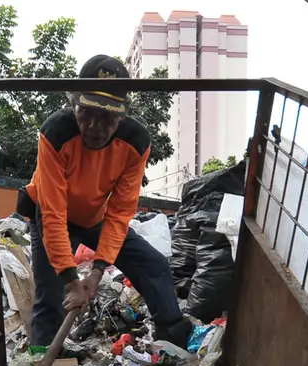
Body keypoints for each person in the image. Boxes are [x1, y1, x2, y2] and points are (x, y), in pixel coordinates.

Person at [16, 54, 192, 349]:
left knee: (155, 266)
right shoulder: (55, 134)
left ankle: (173, 346)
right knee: (51, 294)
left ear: (122, 116)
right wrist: (72, 281)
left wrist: (97, 274)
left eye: (107, 116)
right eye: (86, 113)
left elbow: (121, 211)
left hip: (96, 216)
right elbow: (53, 213)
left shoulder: (136, 143)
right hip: (51, 212)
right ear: (74, 106)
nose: (95, 126)